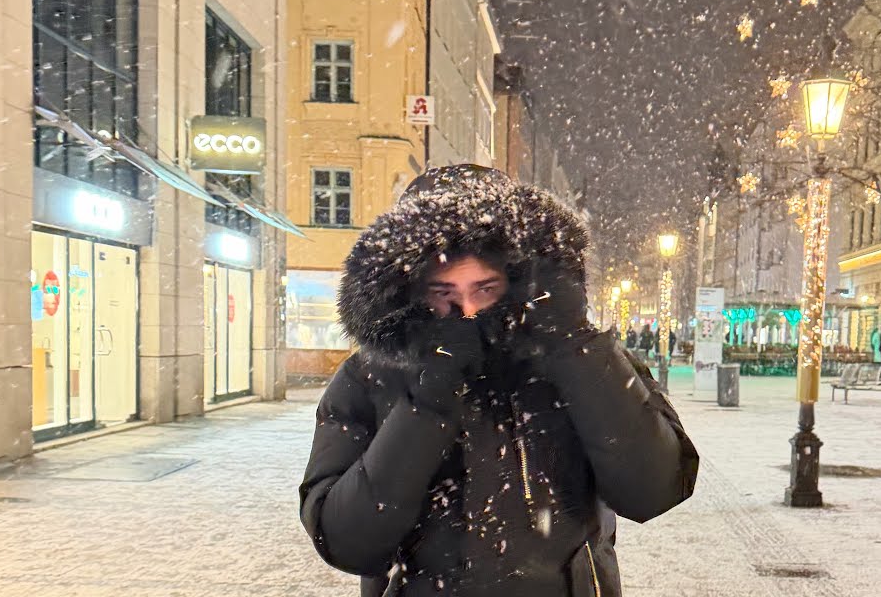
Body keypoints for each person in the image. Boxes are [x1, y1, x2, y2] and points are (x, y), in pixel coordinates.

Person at [299, 166, 698, 597]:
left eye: (484, 289)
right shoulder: (370, 376)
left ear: (515, 281)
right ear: (411, 290)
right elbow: (344, 541)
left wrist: (574, 345)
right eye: (444, 293)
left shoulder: (574, 358)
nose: (467, 311)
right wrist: (427, 404)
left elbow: (654, 490)